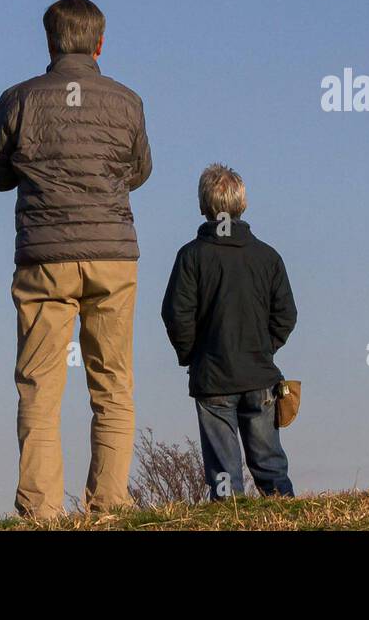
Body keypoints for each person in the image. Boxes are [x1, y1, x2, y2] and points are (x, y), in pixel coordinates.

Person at [0, 0, 152, 518]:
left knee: (38, 385)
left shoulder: (19, 98)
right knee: (113, 384)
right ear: (100, 42)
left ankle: (40, 510)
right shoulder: (127, 101)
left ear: (50, 40)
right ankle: (109, 504)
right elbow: (139, 171)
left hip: (44, 257)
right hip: (112, 254)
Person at [161, 164, 297, 499]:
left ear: (202, 206)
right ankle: (288, 516)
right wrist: (264, 349)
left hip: (213, 379)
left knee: (225, 479)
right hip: (260, 375)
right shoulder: (268, 257)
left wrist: (194, 355)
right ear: (242, 205)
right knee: (271, 468)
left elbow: (176, 315)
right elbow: (286, 315)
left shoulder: (190, 257)